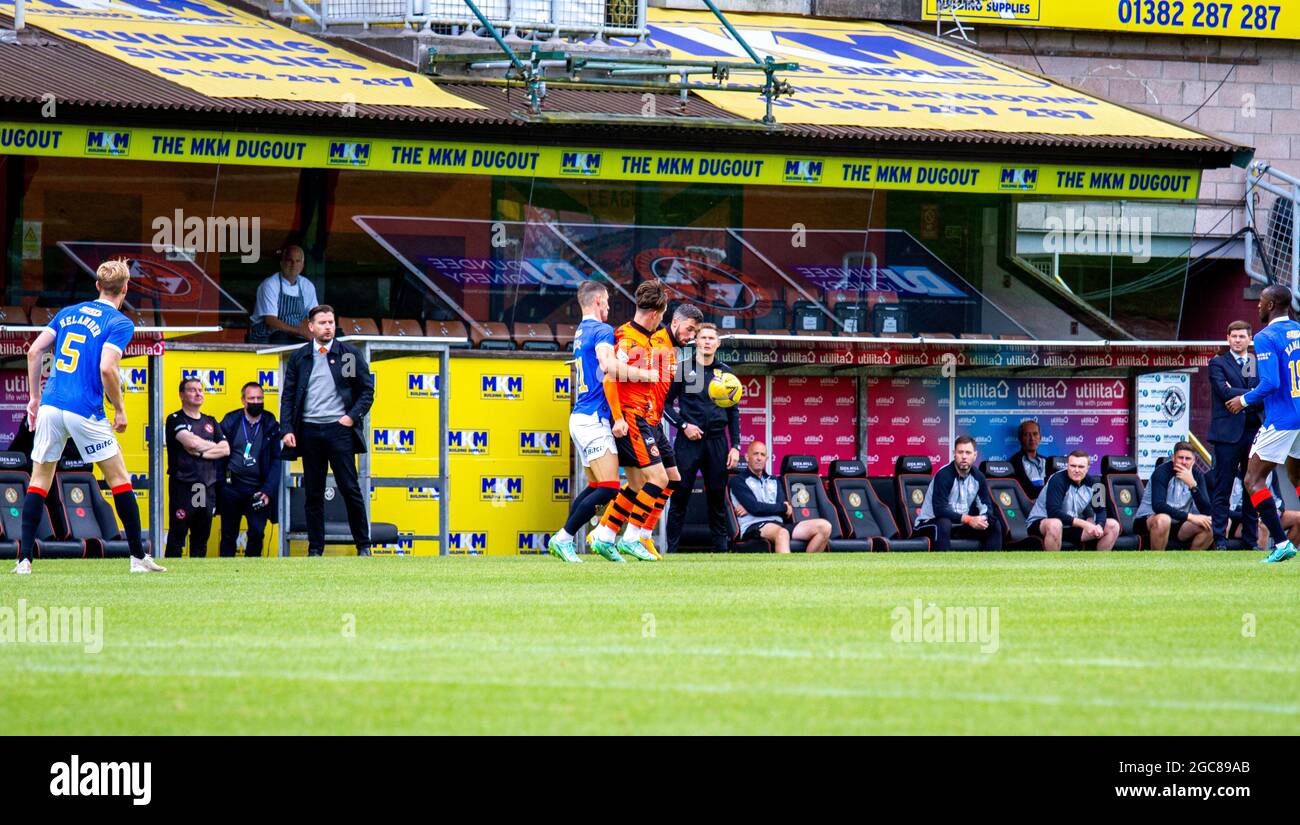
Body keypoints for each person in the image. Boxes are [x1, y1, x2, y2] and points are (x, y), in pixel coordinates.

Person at [15, 259, 165, 574]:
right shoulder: (120, 322)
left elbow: (33, 352)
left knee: (40, 480)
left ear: (97, 285)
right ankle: (138, 558)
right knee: (120, 480)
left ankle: (24, 560)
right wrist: (121, 409)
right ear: (126, 288)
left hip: (51, 406)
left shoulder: (68, 313)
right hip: (84, 409)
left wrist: (33, 398)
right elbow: (108, 367)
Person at [546, 281, 658, 564]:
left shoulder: (581, 332)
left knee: (595, 486)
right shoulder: (601, 330)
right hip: (594, 419)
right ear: (597, 301)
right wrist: (644, 375)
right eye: (607, 301)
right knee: (609, 486)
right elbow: (608, 367)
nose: (609, 306)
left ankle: (573, 540)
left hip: (581, 417)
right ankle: (563, 537)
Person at [584, 282, 676, 562]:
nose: (662, 320)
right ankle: (633, 537)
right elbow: (609, 377)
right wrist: (620, 417)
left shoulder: (650, 336)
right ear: (656, 312)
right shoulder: (625, 338)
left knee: (637, 483)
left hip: (645, 416)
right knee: (659, 479)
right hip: (633, 417)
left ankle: (606, 534)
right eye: (662, 314)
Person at [280, 305, 375, 557]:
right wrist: (287, 429)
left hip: (339, 430)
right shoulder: (300, 357)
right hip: (309, 431)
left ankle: (363, 546)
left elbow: (366, 391)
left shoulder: (347, 355)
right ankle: (315, 549)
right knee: (313, 492)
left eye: (331, 322)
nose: (328, 327)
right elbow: (288, 397)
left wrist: (350, 418)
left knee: (349, 488)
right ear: (311, 327)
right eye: (322, 322)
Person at [617, 302, 702, 559]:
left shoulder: (674, 352)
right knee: (650, 481)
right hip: (641, 419)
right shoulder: (654, 342)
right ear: (674, 322)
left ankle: (641, 536)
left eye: (695, 333)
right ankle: (621, 534)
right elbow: (621, 377)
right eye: (689, 329)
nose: (691, 337)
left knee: (673, 480)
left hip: (652, 421)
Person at [1226, 284, 1300, 564]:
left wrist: (1242, 401)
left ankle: (1281, 543)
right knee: (1297, 478)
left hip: (1283, 418)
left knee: (1252, 479)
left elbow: (1270, 383)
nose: (1257, 305)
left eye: (1260, 301)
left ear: (1270, 305)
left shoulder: (1267, 336)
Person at [664, 322, 741, 554]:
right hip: (688, 442)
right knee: (680, 496)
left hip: (717, 442)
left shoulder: (726, 372)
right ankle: (673, 551)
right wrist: (683, 425)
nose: (707, 341)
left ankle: (721, 552)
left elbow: (733, 411)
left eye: (711, 338)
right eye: (703, 337)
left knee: (717, 498)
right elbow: (665, 405)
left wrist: (736, 445)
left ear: (718, 343)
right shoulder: (684, 369)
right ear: (695, 341)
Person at [1208, 320, 1263, 550]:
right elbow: (1223, 392)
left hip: (1253, 432)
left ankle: (1251, 541)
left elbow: (1265, 393)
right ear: (1227, 338)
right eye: (1234, 336)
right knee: (1223, 488)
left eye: (1242, 336)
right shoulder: (1218, 363)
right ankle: (1220, 540)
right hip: (1227, 435)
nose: (1238, 340)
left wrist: (1245, 394)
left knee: (1252, 485)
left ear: (1250, 339)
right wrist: (1253, 393)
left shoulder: (1255, 362)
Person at [728, 441, 832, 554]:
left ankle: (806, 568)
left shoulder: (774, 480)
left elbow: (786, 511)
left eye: (762, 455)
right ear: (747, 457)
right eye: (756, 454)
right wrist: (781, 507)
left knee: (824, 527)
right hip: (755, 526)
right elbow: (757, 508)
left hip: (780, 524)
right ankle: (786, 571)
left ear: (766, 459)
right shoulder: (738, 481)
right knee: (782, 533)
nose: (759, 458)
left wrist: (759, 506)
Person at [165, 377, 229, 558]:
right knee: (178, 534)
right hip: (184, 485)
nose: (198, 393)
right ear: (182, 395)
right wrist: (209, 445)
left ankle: (197, 576)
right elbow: (190, 442)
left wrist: (202, 452)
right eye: (192, 390)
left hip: (205, 487)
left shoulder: (210, 421)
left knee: (201, 535)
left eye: (200, 390)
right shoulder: (175, 419)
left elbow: (225, 449)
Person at [219, 382, 281, 558]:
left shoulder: (270, 423)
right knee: (228, 535)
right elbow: (219, 456)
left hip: (258, 490)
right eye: (252, 398)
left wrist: (268, 491)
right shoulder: (230, 421)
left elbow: (277, 460)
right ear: (243, 401)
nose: (256, 401)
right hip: (232, 488)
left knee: (257, 534)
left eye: (260, 398)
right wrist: (222, 485)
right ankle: (225, 573)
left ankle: (252, 572)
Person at [913, 436, 1003, 551]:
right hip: (929, 524)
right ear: (954, 454)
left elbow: (986, 506)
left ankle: (991, 566)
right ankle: (944, 566)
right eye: (960, 452)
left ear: (974, 455)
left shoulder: (979, 477)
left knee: (993, 523)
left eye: (968, 452)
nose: (964, 456)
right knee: (944, 523)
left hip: (958, 526)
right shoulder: (944, 475)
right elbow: (940, 510)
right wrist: (969, 520)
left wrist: (982, 519)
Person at [1026, 450, 1121, 551]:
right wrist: (1085, 524)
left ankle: (1098, 565)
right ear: (1067, 466)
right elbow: (1054, 513)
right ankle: (1052, 565)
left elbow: (1100, 510)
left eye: (1081, 467)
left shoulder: (1096, 484)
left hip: (1070, 526)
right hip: (1042, 524)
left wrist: (1099, 526)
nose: (1076, 470)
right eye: (1073, 466)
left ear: (1088, 468)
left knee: (1113, 525)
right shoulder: (1057, 479)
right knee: (1055, 524)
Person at [1133, 442, 1214, 551]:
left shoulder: (1197, 476)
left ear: (1193, 461)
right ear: (1173, 458)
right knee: (1164, 519)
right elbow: (1159, 506)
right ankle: (1157, 563)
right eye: (1180, 458)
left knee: (1212, 523)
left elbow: (1207, 510)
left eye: (1188, 459)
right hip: (1149, 520)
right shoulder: (1161, 472)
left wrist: (1192, 485)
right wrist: (1190, 517)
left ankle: (1191, 564)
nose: (1184, 462)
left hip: (1179, 523)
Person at [250, 245, 318, 344]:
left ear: (302, 265)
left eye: (298, 261)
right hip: (267, 335)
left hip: (295, 335)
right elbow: (271, 321)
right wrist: (300, 331)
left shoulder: (307, 285)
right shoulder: (270, 284)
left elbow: (315, 315)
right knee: (280, 336)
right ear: (282, 263)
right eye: (289, 260)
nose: (293, 264)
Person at [1008, 419, 1050, 497]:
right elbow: (1026, 490)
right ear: (1020, 439)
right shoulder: (1014, 462)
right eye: (1027, 434)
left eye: (1035, 434)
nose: (1032, 438)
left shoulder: (1047, 461)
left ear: (1040, 437)